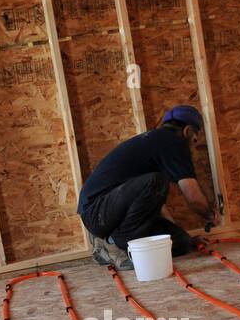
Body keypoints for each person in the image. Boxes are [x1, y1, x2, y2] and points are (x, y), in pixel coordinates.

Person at [76, 105, 217, 269]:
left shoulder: (156, 143)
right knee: (157, 180)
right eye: (195, 137)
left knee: (180, 243)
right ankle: (115, 243)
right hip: (97, 211)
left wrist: (179, 236)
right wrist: (210, 215)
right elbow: (194, 199)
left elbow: (155, 204)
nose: (194, 142)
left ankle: (118, 241)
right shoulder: (174, 143)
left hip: (105, 211)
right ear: (187, 131)